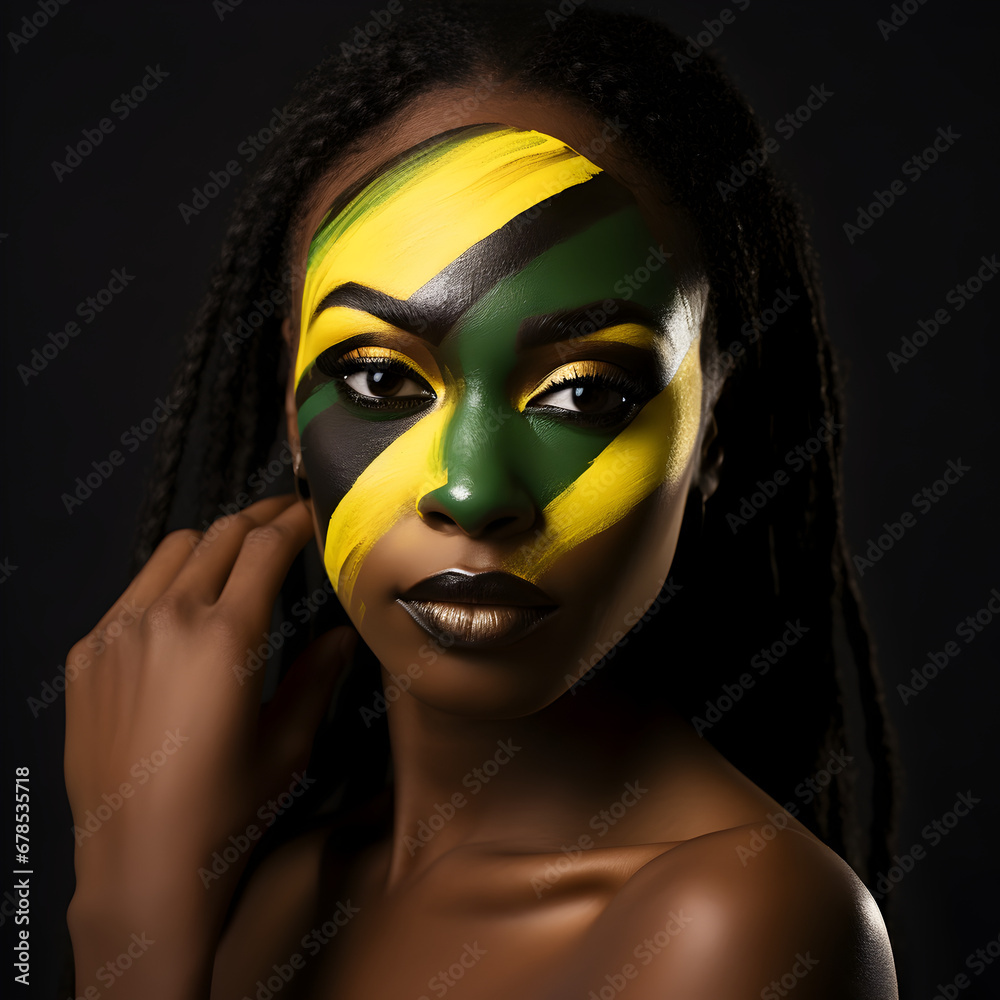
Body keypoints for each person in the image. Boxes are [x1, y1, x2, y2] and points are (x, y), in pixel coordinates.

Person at [63, 2, 901, 996]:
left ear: (712, 430)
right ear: (292, 408)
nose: (472, 489)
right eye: (381, 379)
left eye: (585, 393)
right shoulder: (278, 884)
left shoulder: (736, 921)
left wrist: (127, 925)